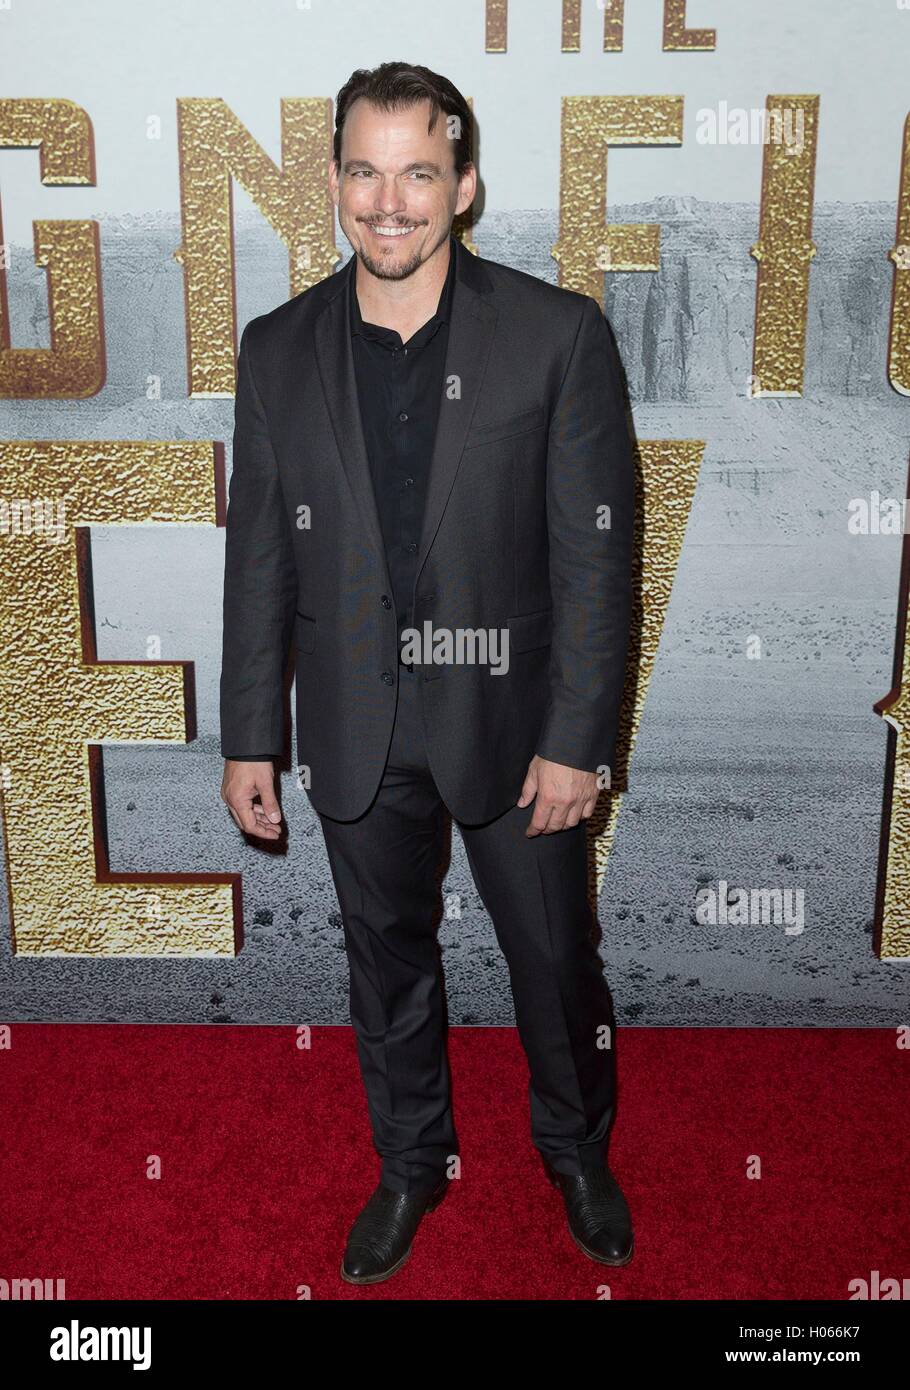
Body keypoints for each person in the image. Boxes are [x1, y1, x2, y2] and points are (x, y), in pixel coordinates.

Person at [220, 61, 635, 1286]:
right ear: (334, 178)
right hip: (354, 719)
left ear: (463, 184)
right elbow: (259, 558)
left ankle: (574, 1151)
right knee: (384, 960)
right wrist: (254, 732)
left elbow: (597, 561)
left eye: (417, 171)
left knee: (556, 963)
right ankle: (410, 1164)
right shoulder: (279, 347)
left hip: (515, 728)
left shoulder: (556, 334)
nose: (386, 201)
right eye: (363, 169)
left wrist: (577, 738)